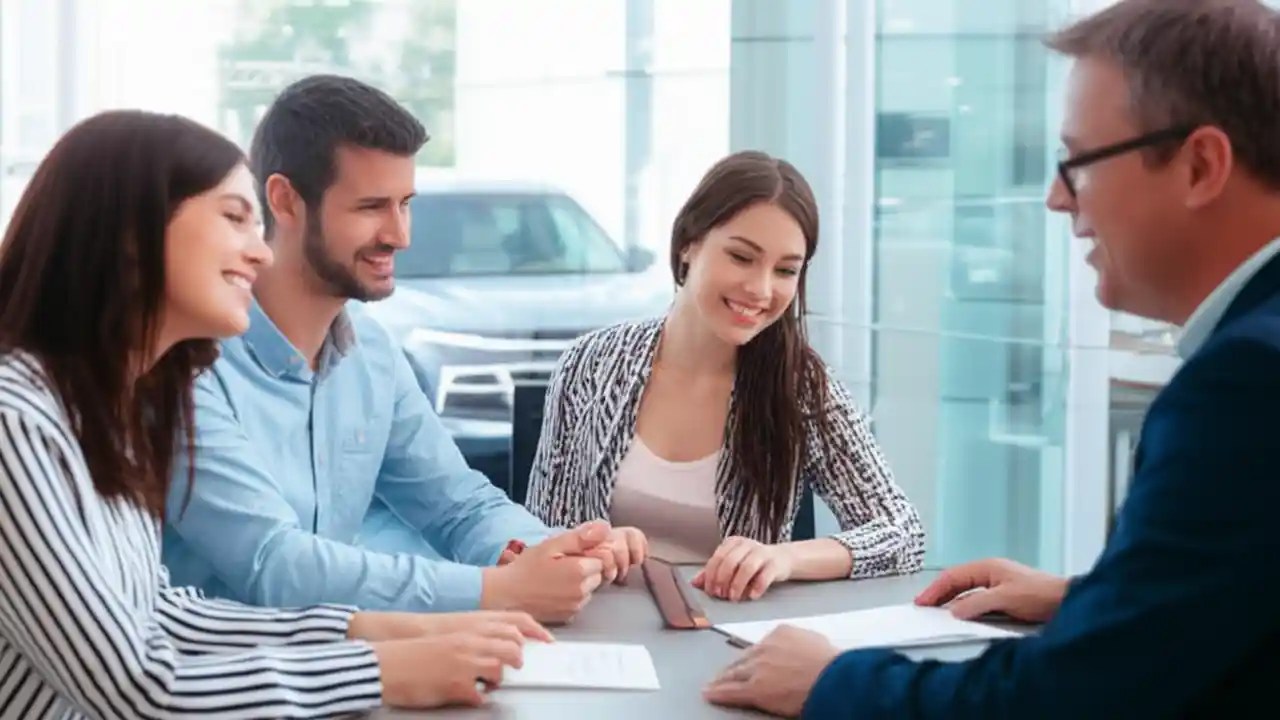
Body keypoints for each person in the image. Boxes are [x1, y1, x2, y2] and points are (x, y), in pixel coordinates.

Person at [703, 0, 1280, 716]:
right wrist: (1086, 600)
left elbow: (1070, 700)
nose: (1056, 199)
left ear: (1200, 165)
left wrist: (832, 682)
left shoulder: (1246, 384)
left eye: (1080, 163)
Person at [0, 109, 556, 718]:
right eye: (235, 219)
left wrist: (383, 632)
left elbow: (162, 614)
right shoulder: (18, 422)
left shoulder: (103, 416)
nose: (261, 253)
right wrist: (380, 669)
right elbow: (137, 684)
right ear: (132, 233)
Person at [160, 74, 641, 623]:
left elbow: (458, 505)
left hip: (351, 665)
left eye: (405, 203)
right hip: (221, 684)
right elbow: (274, 563)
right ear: (285, 201)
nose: (400, 235)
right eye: (371, 207)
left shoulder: (371, 352)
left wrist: (560, 551)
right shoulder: (193, 362)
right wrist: (494, 590)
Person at [525, 150, 924, 602]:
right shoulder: (591, 364)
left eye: (786, 270)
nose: (761, 289)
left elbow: (901, 533)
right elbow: (540, 538)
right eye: (741, 257)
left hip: (727, 638)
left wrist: (785, 557)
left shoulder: (802, 387)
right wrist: (586, 552)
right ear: (688, 244)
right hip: (596, 629)